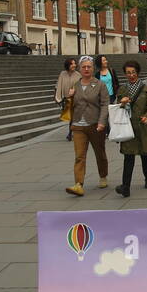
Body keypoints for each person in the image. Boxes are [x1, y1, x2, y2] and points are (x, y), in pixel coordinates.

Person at [65, 56, 109, 197]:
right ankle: (78, 184)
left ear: (93, 68)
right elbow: (69, 106)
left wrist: (102, 121)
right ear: (79, 68)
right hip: (78, 125)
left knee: (100, 153)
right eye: (83, 67)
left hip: (95, 124)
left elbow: (105, 104)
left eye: (89, 67)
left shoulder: (100, 85)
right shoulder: (75, 85)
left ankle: (103, 176)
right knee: (79, 156)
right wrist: (69, 97)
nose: (86, 69)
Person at [114, 61, 147, 195]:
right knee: (128, 157)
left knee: (145, 154)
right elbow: (118, 108)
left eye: (133, 72)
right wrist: (121, 103)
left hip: (143, 126)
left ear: (137, 73)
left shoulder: (146, 89)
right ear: (125, 74)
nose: (131, 75)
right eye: (128, 73)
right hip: (128, 127)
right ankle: (125, 186)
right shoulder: (122, 90)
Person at [54, 56, 80, 141]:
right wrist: (58, 97)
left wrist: (74, 90)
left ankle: (70, 133)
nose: (74, 65)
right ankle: (71, 132)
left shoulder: (78, 75)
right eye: (72, 64)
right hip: (67, 99)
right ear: (68, 65)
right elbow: (59, 85)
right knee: (71, 117)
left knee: (74, 117)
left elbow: (80, 87)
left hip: (76, 99)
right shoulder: (63, 74)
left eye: (74, 63)